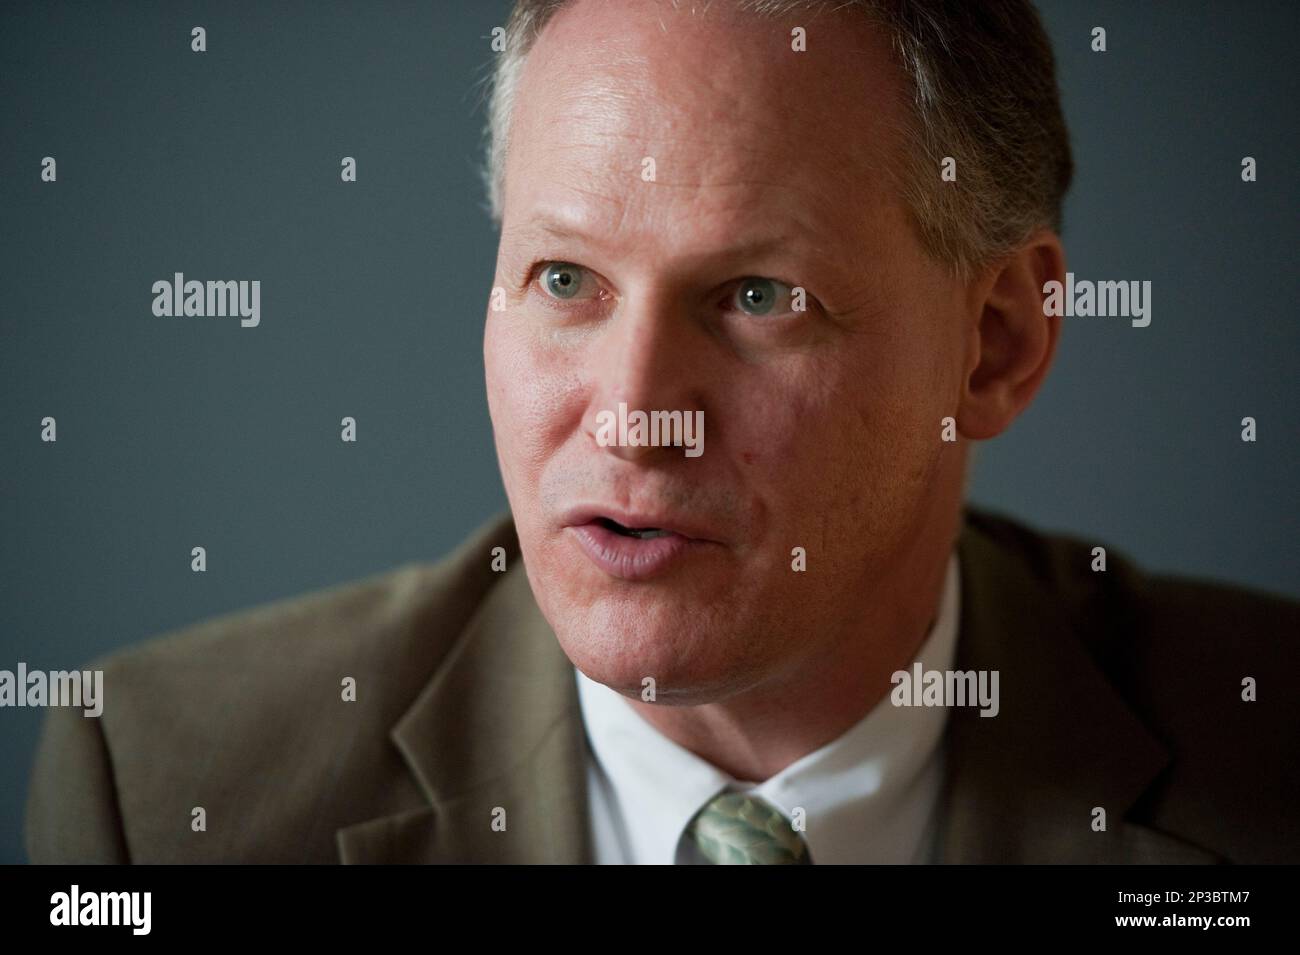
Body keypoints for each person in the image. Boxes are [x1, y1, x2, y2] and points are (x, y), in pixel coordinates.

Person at [26, 0, 1299, 865]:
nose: (634, 415)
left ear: (996, 343)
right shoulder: (163, 792)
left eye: (756, 298)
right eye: (567, 280)